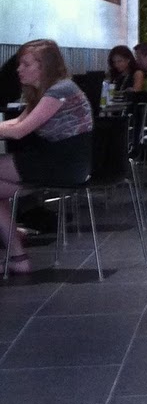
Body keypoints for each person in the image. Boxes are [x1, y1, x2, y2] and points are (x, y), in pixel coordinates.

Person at [0, 39, 93, 275]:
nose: (19, 69)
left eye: (26, 64)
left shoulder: (60, 91)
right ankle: (16, 251)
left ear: (44, 66)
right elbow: (18, 122)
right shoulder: (48, 91)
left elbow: (20, 131)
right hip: (58, 160)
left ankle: (15, 242)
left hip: (64, 164)